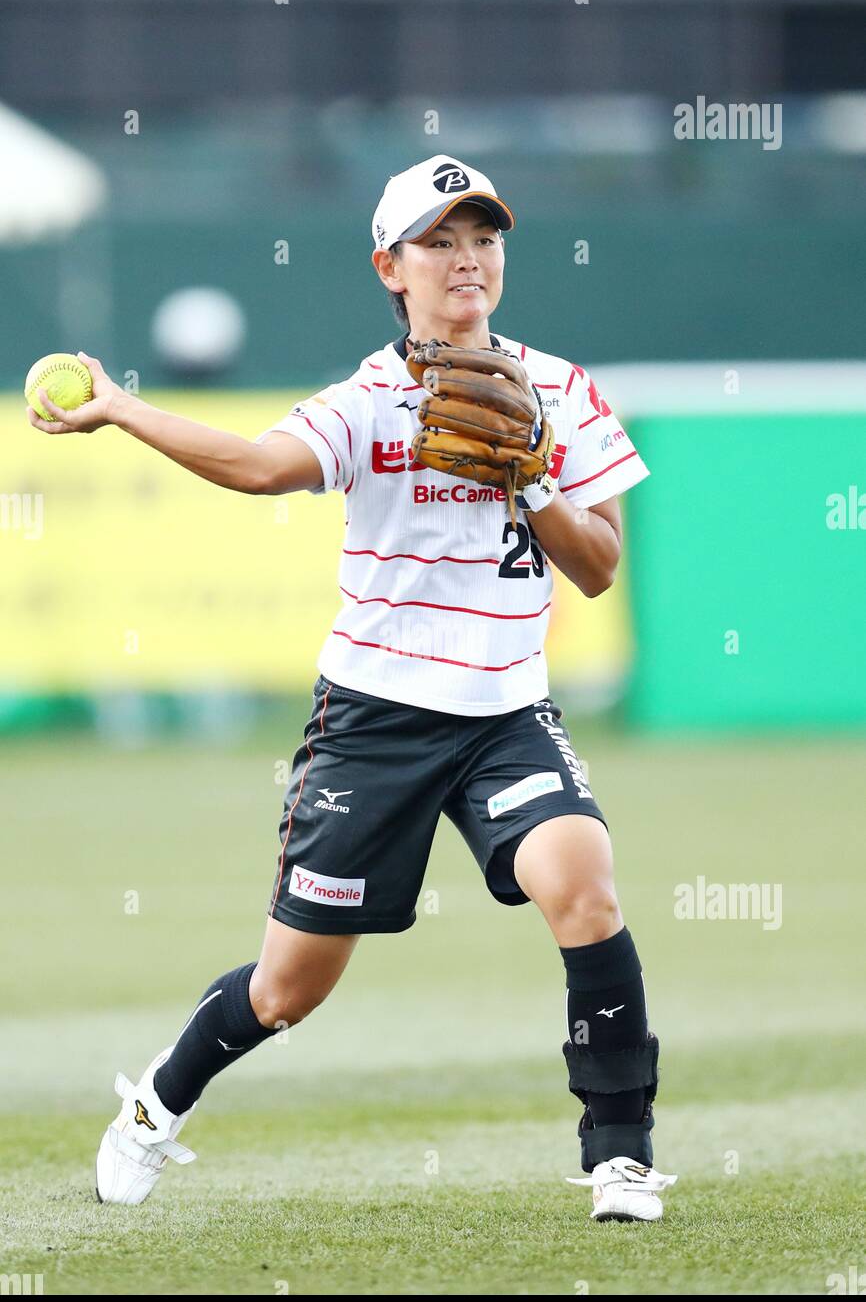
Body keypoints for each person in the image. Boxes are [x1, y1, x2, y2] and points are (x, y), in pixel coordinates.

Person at [27, 154, 677, 1223]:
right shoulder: (369, 399)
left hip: (507, 716)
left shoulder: (559, 388)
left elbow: (600, 567)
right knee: (288, 991)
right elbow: (252, 465)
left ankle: (618, 1154)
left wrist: (533, 475)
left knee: (584, 882)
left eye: (483, 239)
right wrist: (118, 410)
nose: (467, 260)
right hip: (373, 724)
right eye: (439, 242)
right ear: (391, 265)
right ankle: (156, 1100)